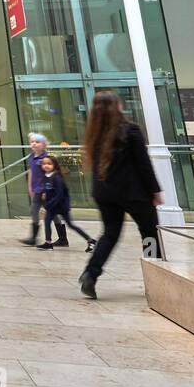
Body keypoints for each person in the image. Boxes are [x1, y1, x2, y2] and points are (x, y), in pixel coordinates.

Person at [79, 92, 162, 300]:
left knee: (109, 235)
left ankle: (91, 272)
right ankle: (155, 278)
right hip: (133, 193)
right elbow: (144, 165)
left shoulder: (94, 135)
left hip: (104, 193)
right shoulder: (130, 131)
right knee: (150, 233)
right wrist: (155, 190)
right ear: (117, 106)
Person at [36, 155, 96, 252]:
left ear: (54, 165)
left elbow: (60, 194)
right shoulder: (47, 176)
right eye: (44, 164)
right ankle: (48, 243)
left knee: (70, 224)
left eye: (49, 164)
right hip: (53, 206)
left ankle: (91, 240)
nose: (46, 166)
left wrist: (48, 205)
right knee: (47, 222)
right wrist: (44, 194)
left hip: (60, 206)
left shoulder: (57, 178)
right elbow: (49, 190)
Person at [20, 132, 49, 246]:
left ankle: (62, 237)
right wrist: (30, 186)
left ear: (43, 145)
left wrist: (47, 190)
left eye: (37, 142)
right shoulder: (31, 157)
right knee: (34, 210)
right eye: (32, 142)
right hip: (37, 190)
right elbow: (31, 172)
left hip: (44, 190)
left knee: (54, 213)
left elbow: (49, 175)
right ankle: (33, 237)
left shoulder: (45, 158)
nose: (34, 144)